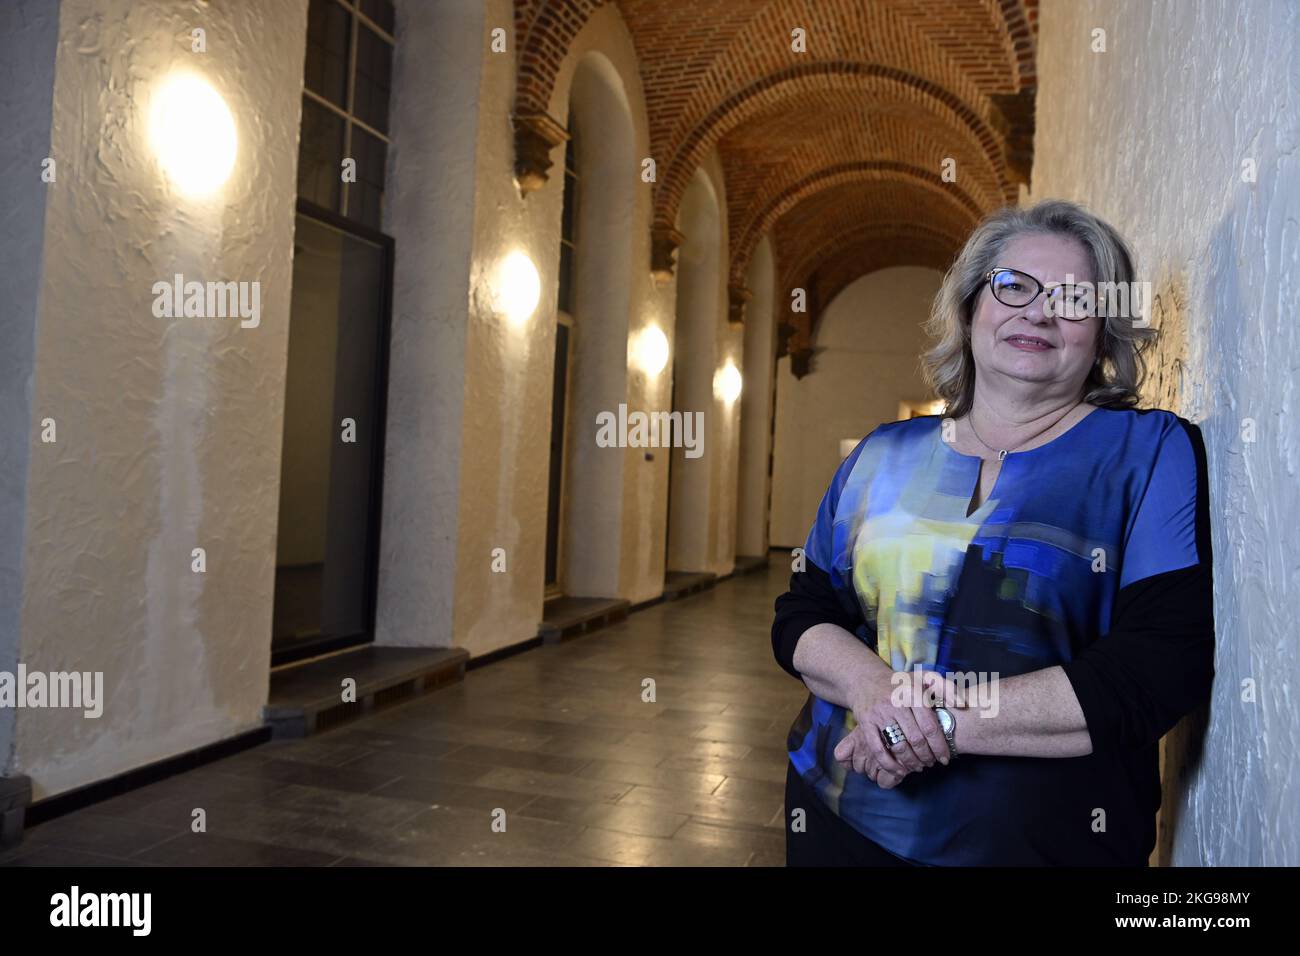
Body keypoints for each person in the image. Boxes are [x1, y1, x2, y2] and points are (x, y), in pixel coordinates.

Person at [772, 199, 1215, 866]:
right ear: (971, 306)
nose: (1037, 312)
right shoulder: (880, 453)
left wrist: (939, 725)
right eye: (1013, 286)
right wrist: (876, 694)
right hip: (841, 809)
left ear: (1103, 331)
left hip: (1044, 844)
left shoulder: (1148, 451)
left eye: (1073, 297)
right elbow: (802, 612)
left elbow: (1157, 669)